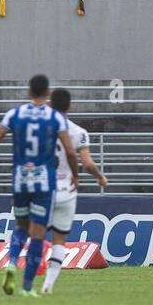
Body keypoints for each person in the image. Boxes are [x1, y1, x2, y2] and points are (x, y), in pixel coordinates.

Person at [0, 74, 77, 297]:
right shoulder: (55, 117)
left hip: (20, 178)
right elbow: (70, 151)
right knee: (38, 234)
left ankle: (11, 261)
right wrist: (75, 176)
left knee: (21, 226)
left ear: (29, 92)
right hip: (43, 181)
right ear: (47, 93)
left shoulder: (15, 114)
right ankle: (27, 287)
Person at [42, 89, 107, 294]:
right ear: (69, 107)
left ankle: (26, 265)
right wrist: (100, 177)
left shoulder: (40, 129)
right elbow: (87, 163)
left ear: (51, 105)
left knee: (33, 234)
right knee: (59, 239)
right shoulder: (79, 132)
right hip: (67, 190)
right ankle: (48, 284)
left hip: (42, 188)